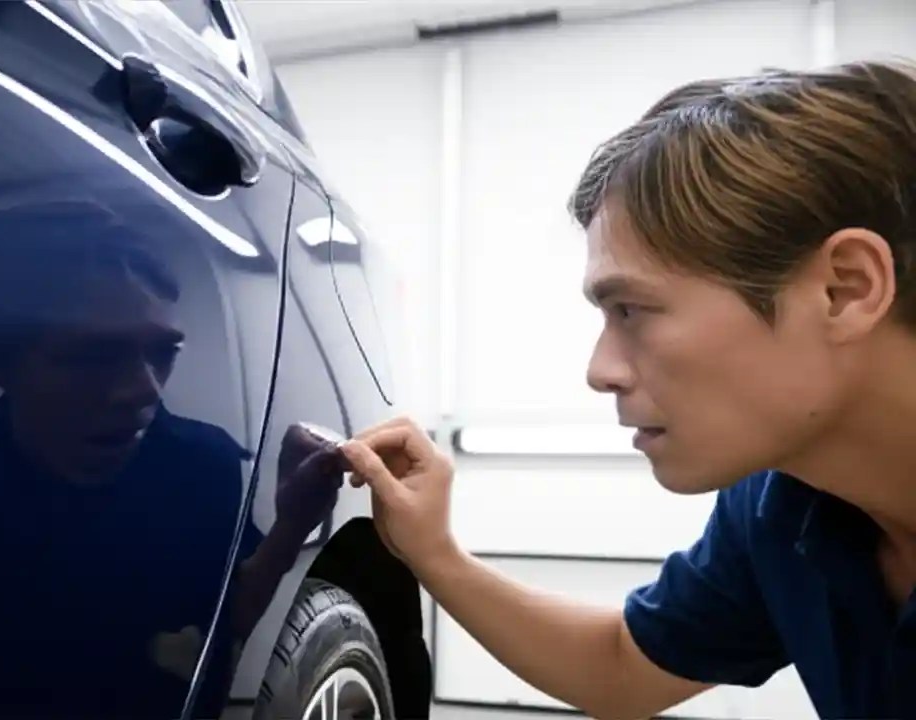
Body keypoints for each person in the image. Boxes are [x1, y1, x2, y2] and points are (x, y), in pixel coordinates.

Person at [339, 59, 916, 720]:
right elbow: (621, 668)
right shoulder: (784, 510)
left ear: (845, 289)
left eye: (633, 310)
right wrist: (435, 554)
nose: (600, 370)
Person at [0, 202, 337, 719]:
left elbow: (229, 614)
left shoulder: (201, 462)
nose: (143, 390)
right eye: (93, 356)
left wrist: (293, 521)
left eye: (161, 353)